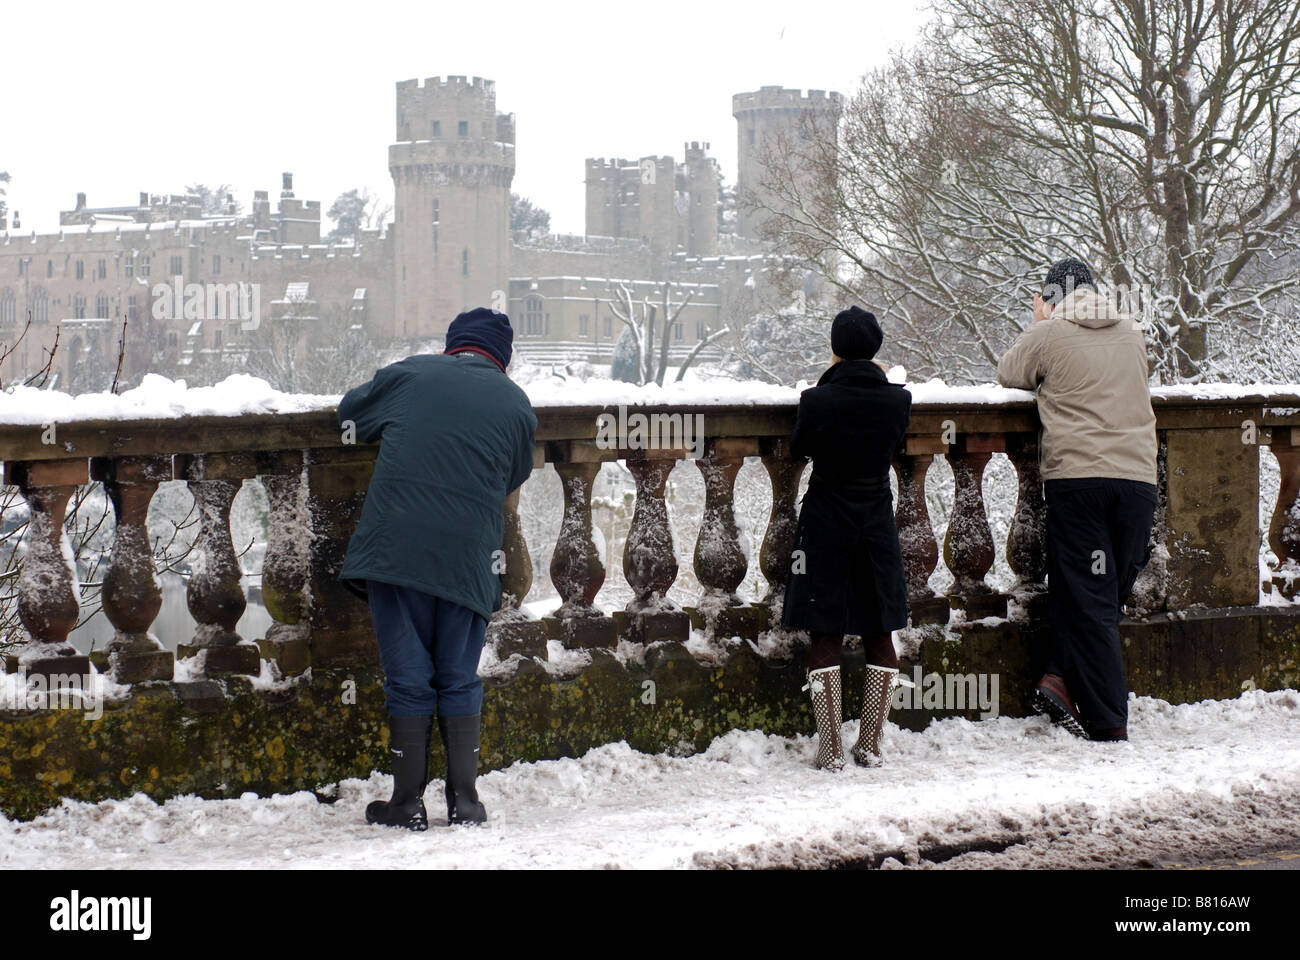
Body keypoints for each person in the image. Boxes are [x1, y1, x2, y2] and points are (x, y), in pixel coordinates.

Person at [337, 307, 537, 829]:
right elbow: (513, 473)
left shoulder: (411, 374)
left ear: (453, 345)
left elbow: (349, 418)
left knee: (409, 677)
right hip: (472, 558)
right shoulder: (517, 404)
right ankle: (465, 802)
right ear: (502, 360)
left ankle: (406, 804)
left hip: (397, 550)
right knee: (457, 675)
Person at [997, 258, 1157, 742]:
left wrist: (1040, 325)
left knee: (1089, 598)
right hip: (1138, 481)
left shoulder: (1050, 334)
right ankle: (1058, 678)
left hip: (1080, 479)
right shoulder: (1131, 332)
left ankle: (1109, 725)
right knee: (1102, 595)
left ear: (1051, 297)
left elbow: (1009, 372)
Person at [782, 305, 913, 771]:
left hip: (826, 522)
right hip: (876, 522)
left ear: (835, 349)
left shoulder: (817, 400)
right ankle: (871, 745)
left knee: (825, 632)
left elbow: (800, 448)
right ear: (876, 348)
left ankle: (831, 747)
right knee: (881, 630)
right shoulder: (899, 401)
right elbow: (896, 446)